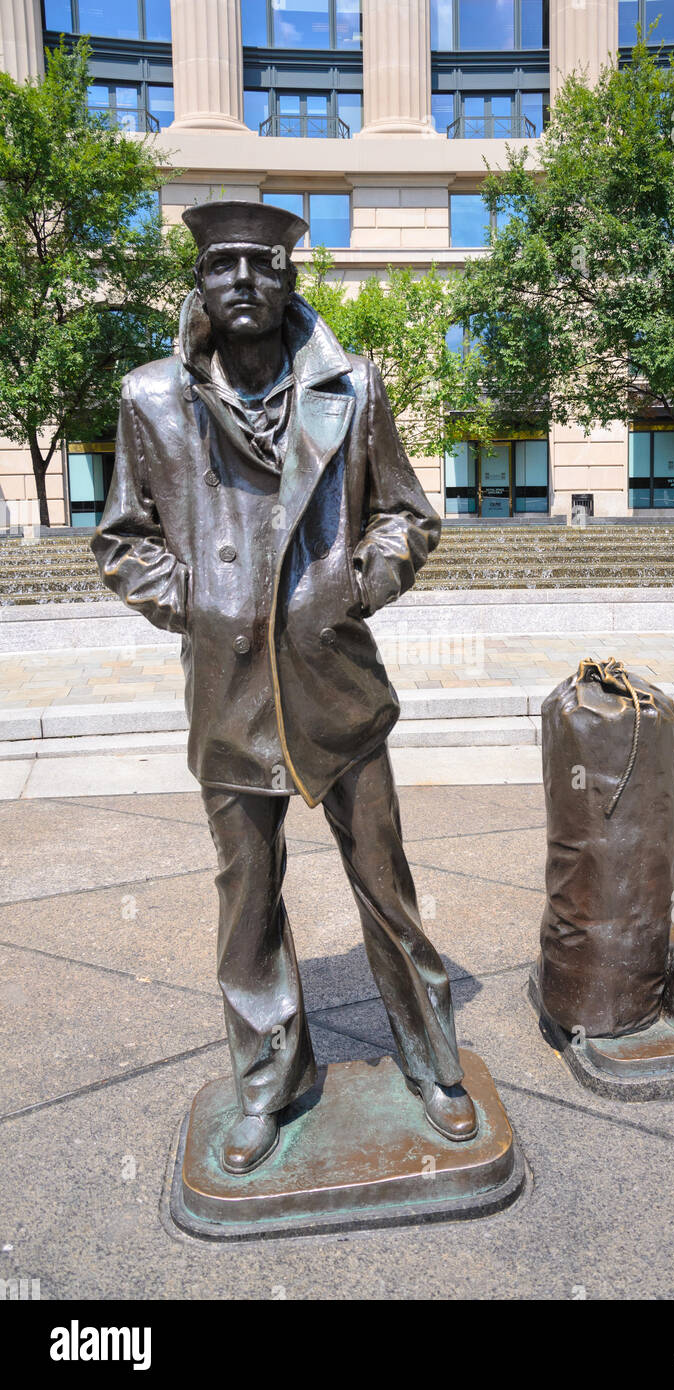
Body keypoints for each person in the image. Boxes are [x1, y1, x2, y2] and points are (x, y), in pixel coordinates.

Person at [92, 201, 476, 1173]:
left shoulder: (353, 387)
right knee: (247, 908)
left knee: (386, 889)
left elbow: (406, 518)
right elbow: (123, 541)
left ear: (289, 276)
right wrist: (197, 602)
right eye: (224, 264)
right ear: (200, 280)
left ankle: (433, 1062)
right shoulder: (152, 401)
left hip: (335, 686)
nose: (245, 280)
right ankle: (268, 1083)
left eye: (264, 263)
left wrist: (351, 586)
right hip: (227, 695)